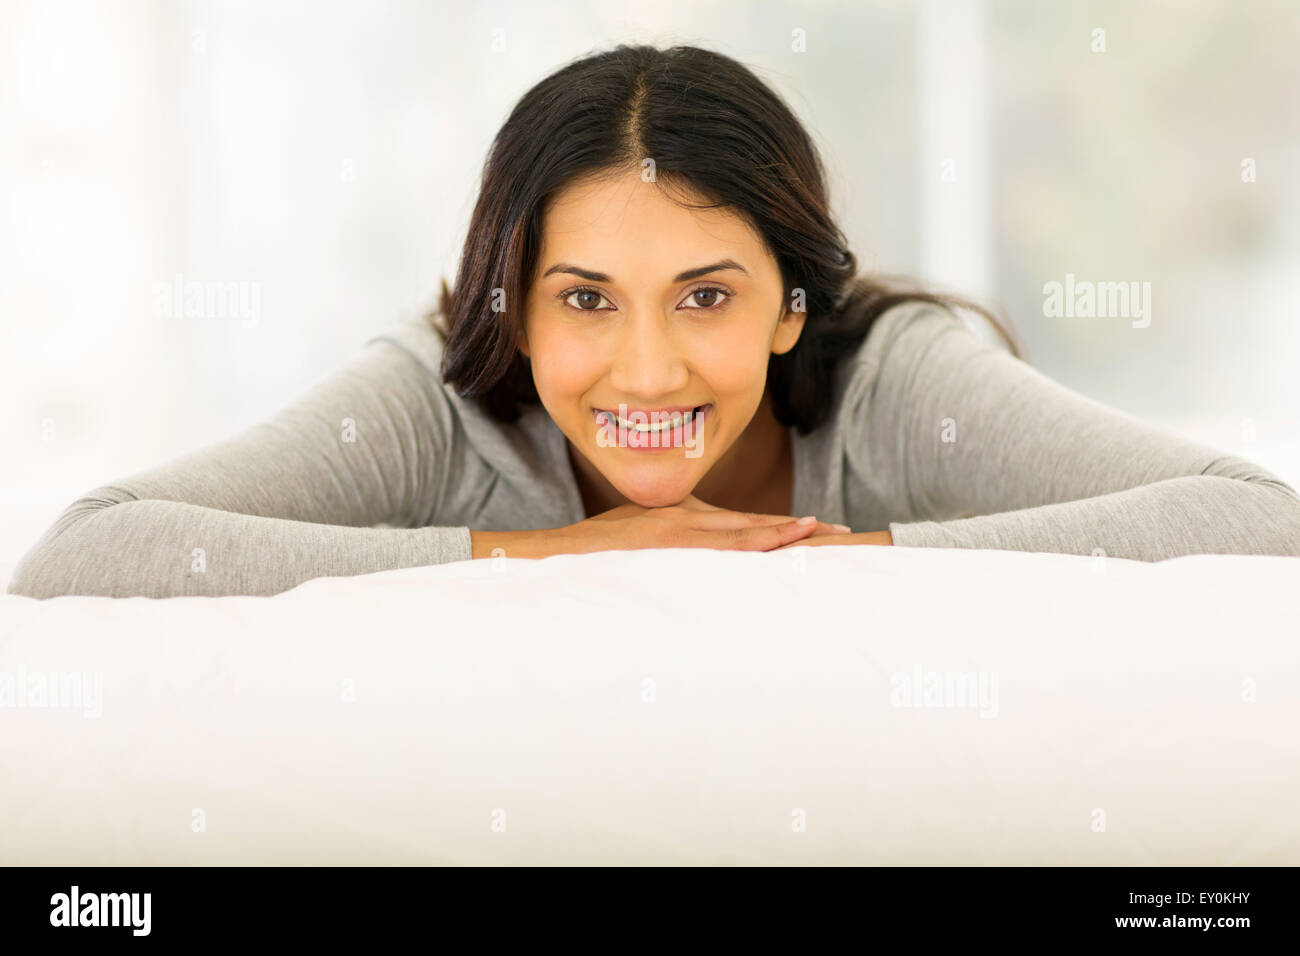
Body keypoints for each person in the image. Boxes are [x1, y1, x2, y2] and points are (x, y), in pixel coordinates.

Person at [9, 44, 1300, 599]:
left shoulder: (896, 382)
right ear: (515, 307)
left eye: (707, 297)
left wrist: (825, 561)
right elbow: (89, 552)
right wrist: (564, 558)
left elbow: (1257, 516)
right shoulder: (430, 404)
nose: (645, 365)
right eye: (584, 301)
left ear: (793, 308)